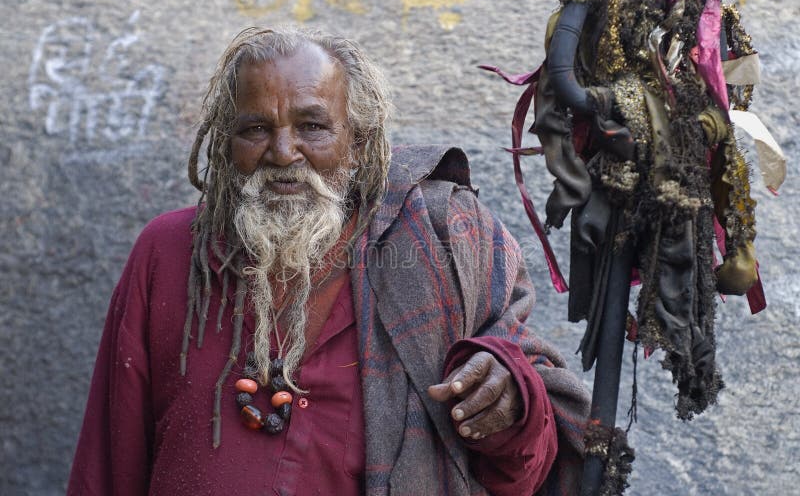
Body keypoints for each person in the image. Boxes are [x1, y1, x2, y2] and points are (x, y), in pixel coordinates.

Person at [67, 27, 590, 496]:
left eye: (312, 126)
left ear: (358, 143)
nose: (283, 151)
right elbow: (108, 465)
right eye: (255, 129)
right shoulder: (171, 251)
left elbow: (530, 467)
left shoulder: (445, 243)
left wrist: (508, 404)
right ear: (227, 144)